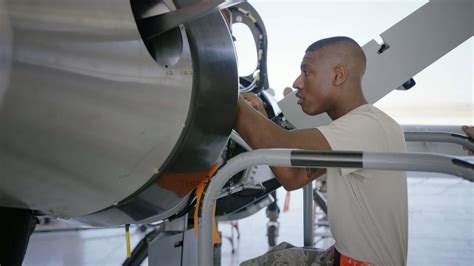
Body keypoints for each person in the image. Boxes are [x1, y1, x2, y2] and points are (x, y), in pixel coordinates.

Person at [235, 36, 408, 265]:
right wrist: (260, 119)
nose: (297, 82)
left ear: (338, 76)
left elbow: (279, 140)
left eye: (306, 72)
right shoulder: (350, 131)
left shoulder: (364, 127)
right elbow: (293, 177)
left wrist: (226, 95)